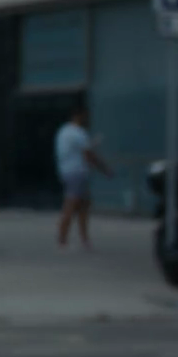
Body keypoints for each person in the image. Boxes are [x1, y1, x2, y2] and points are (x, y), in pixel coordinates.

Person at [55, 105, 114, 250]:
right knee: (72, 203)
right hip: (77, 172)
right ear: (79, 116)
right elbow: (89, 155)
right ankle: (64, 238)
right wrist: (105, 169)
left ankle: (83, 238)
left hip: (67, 170)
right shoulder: (79, 133)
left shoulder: (63, 131)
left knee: (83, 204)